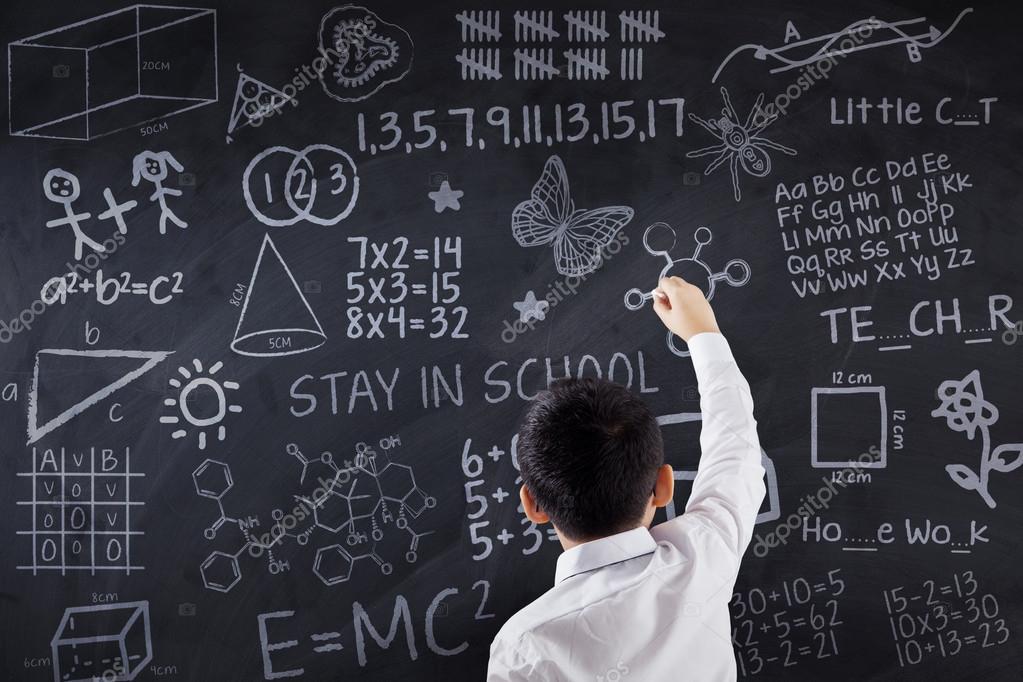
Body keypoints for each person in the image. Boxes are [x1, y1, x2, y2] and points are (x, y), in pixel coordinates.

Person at [488, 276, 766, 681]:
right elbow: (736, 452)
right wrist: (703, 335)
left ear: (533, 505)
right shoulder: (701, 557)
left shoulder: (525, 646)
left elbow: (736, 455)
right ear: (663, 486)